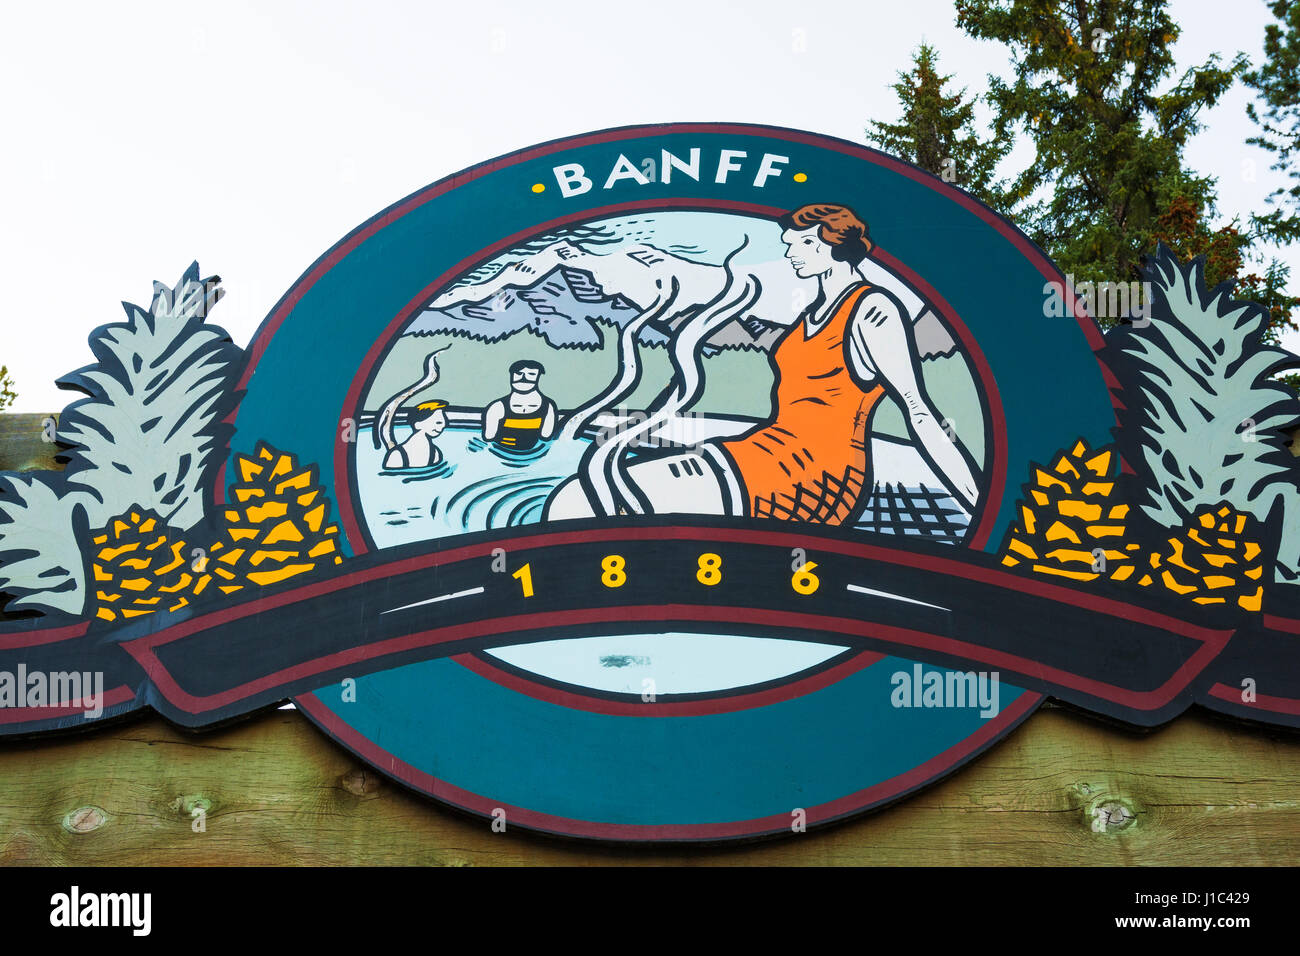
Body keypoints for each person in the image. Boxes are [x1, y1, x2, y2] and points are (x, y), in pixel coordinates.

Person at [545, 203, 979, 523]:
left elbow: (918, 410)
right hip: (762, 453)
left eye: (801, 245)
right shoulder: (807, 316)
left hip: (816, 478)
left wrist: (979, 508)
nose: (791, 254)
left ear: (830, 247)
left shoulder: (872, 311)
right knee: (577, 497)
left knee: (582, 505)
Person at [483, 360, 558, 451]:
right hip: (500, 453)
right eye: (519, 373)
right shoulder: (497, 407)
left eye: (531, 374)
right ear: (512, 375)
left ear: (538, 377)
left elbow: (546, 435)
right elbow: (488, 437)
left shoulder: (548, 406)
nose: (524, 377)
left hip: (530, 455)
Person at [383, 400, 448, 469]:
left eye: (443, 422)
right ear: (417, 424)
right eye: (438, 422)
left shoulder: (435, 453)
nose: (443, 426)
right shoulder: (397, 456)